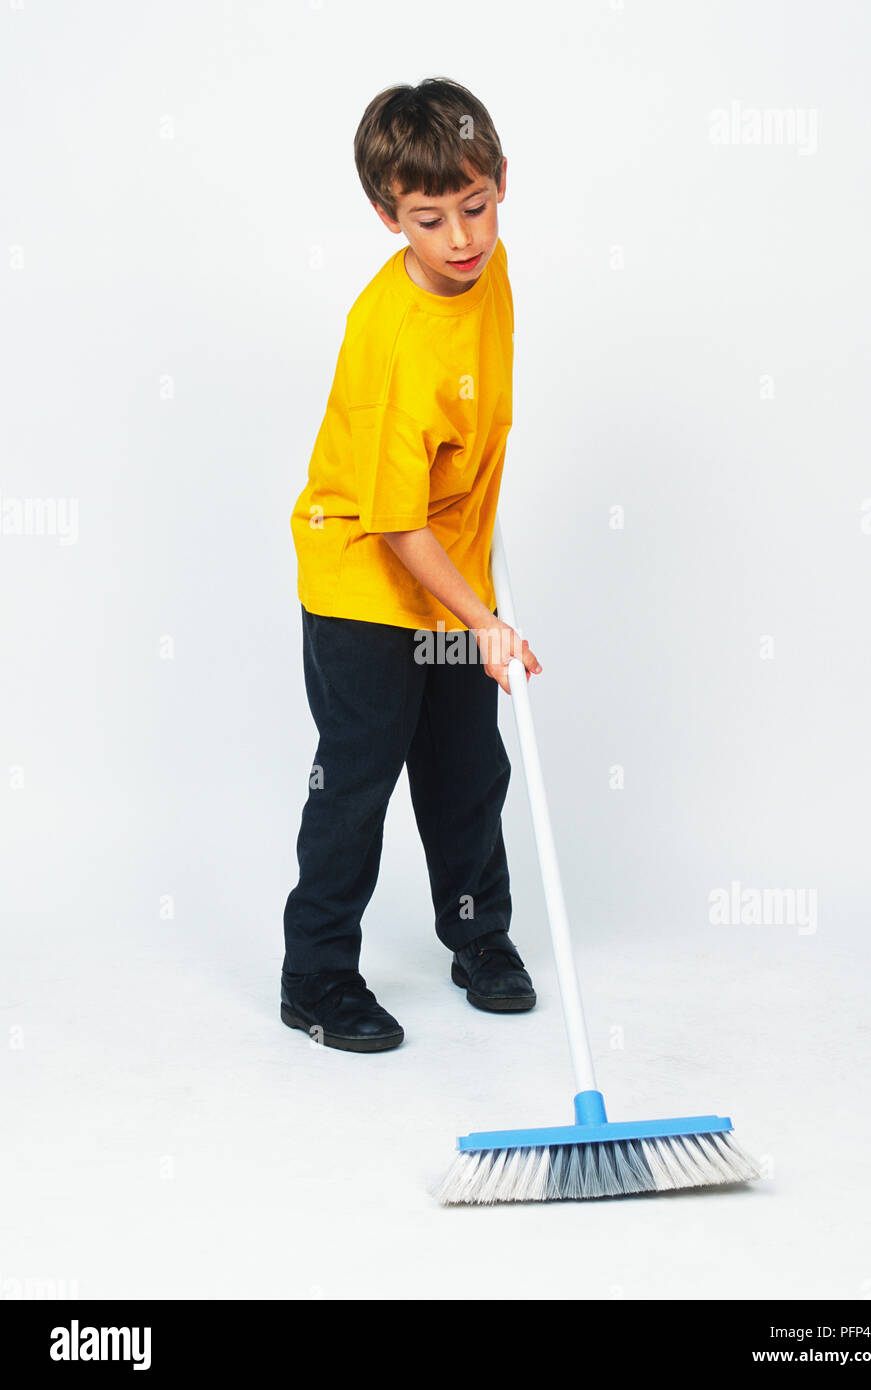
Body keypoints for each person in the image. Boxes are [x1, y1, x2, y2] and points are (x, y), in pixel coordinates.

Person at [281, 77, 542, 1053]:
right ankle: (314, 978)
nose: (461, 238)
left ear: (501, 182)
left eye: (474, 207)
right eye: (429, 220)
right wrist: (485, 621)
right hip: (364, 575)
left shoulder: (490, 266)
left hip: (446, 570)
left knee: (465, 766)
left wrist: (472, 592)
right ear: (387, 216)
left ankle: (479, 939)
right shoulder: (393, 340)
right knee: (359, 778)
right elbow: (394, 524)